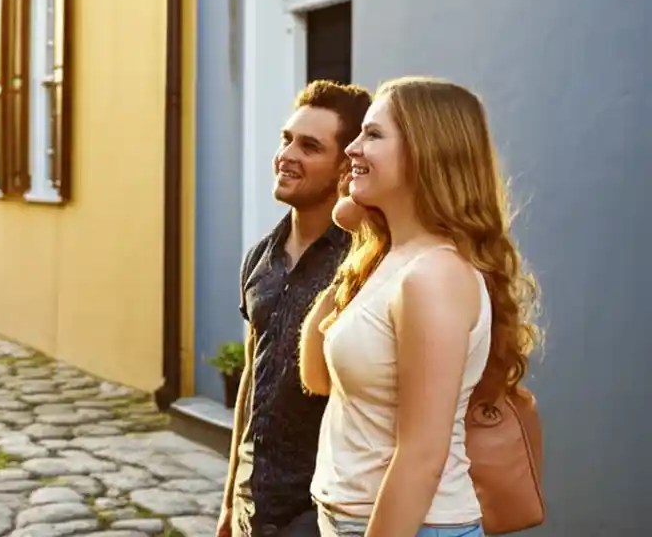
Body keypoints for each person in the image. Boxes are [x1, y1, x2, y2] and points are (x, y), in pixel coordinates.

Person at [299, 77, 541, 537]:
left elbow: (422, 457)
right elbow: (316, 377)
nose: (352, 148)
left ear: (424, 152)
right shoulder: (390, 262)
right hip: (352, 519)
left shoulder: (434, 276)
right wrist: (356, 245)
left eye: (373, 134)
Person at [218, 81, 372, 537]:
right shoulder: (260, 257)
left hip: (321, 508)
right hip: (254, 502)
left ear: (345, 167)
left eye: (309, 146)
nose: (288, 154)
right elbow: (252, 377)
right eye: (287, 139)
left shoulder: (365, 265)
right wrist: (230, 500)